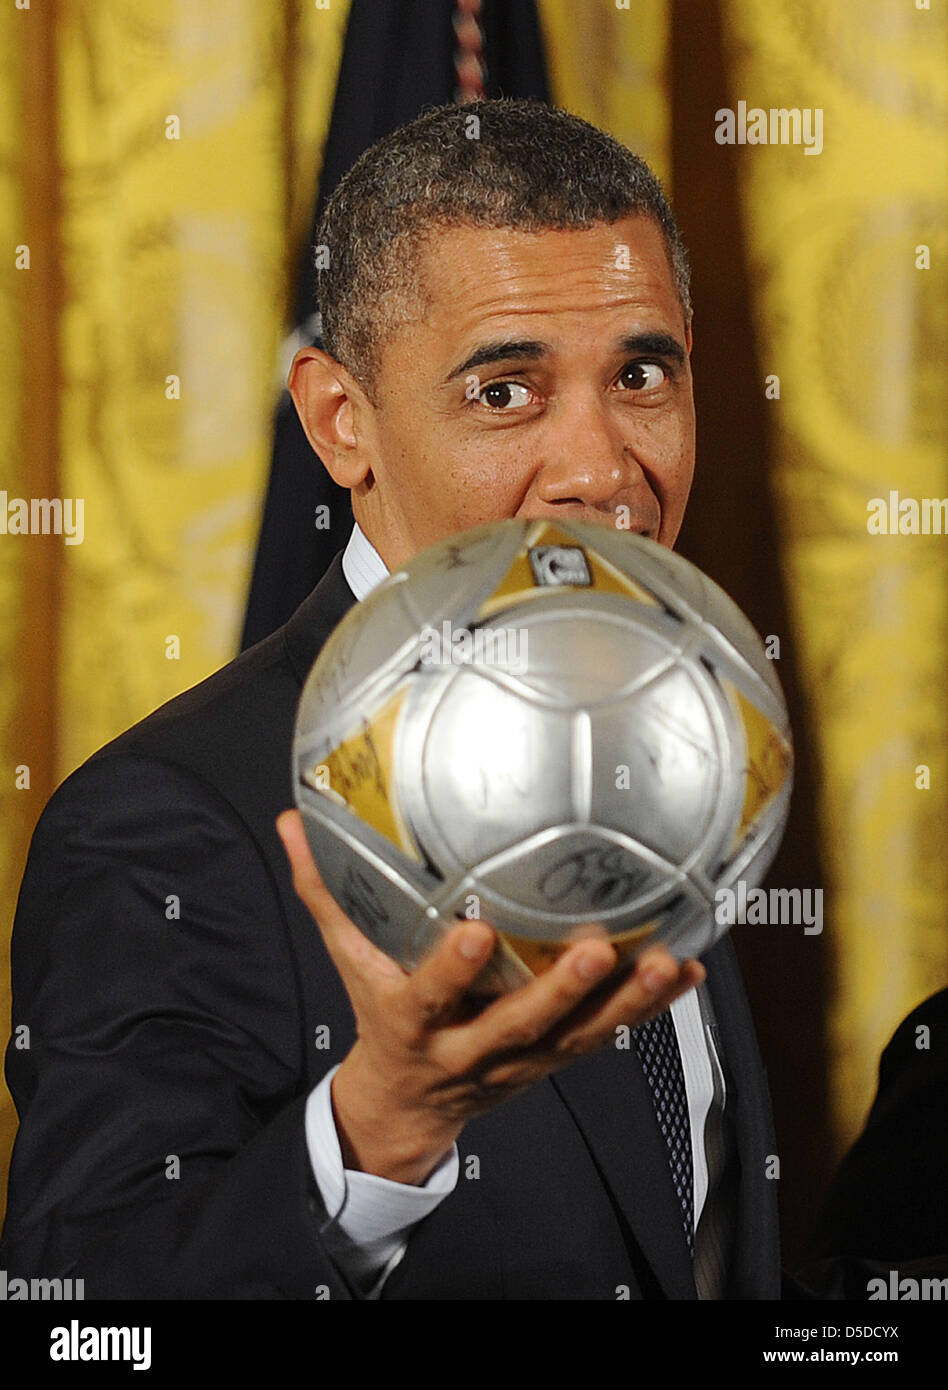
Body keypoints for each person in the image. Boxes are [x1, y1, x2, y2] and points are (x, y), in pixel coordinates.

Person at [1, 99, 780, 1300]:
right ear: (340, 420)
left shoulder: (686, 734)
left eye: (639, 373)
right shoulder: (165, 822)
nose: (598, 469)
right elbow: (88, 1318)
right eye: (506, 391)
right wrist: (381, 1128)